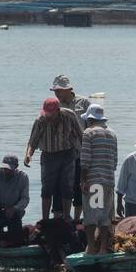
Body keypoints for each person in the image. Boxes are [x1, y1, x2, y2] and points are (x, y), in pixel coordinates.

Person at [25, 94, 83, 222]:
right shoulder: (40, 120)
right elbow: (32, 140)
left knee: (67, 186)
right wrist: (28, 155)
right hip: (48, 155)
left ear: (58, 110)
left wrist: (86, 153)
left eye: (51, 114)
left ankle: (67, 217)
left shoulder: (70, 115)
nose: (49, 117)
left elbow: (80, 135)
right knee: (47, 187)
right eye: (47, 114)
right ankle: (45, 219)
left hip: (68, 153)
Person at [79, 104, 118, 255]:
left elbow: (85, 161)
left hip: (94, 181)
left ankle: (92, 248)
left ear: (90, 119)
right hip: (108, 180)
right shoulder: (112, 134)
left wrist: (83, 181)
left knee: (91, 217)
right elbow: (114, 161)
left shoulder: (88, 133)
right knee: (104, 217)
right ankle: (102, 248)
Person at [51, 75, 90, 223]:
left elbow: (91, 126)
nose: (57, 93)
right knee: (59, 188)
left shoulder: (84, 102)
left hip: (80, 152)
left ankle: (77, 220)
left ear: (69, 89)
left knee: (79, 186)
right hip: (60, 153)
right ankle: (59, 219)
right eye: (55, 91)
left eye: (60, 90)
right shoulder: (55, 105)